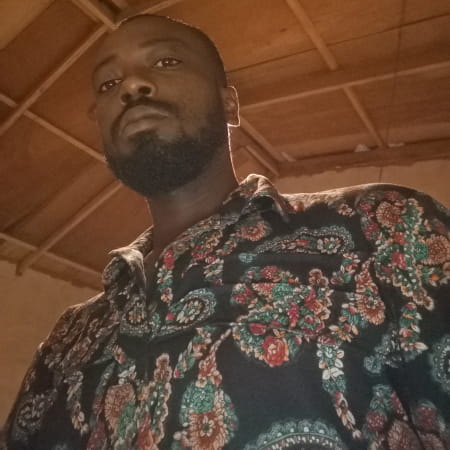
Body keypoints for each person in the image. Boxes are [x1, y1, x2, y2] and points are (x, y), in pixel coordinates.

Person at [3, 14, 450, 450]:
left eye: (166, 62)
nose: (131, 86)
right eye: (108, 83)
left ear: (230, 104)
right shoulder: (67, 340)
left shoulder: (386, 227)